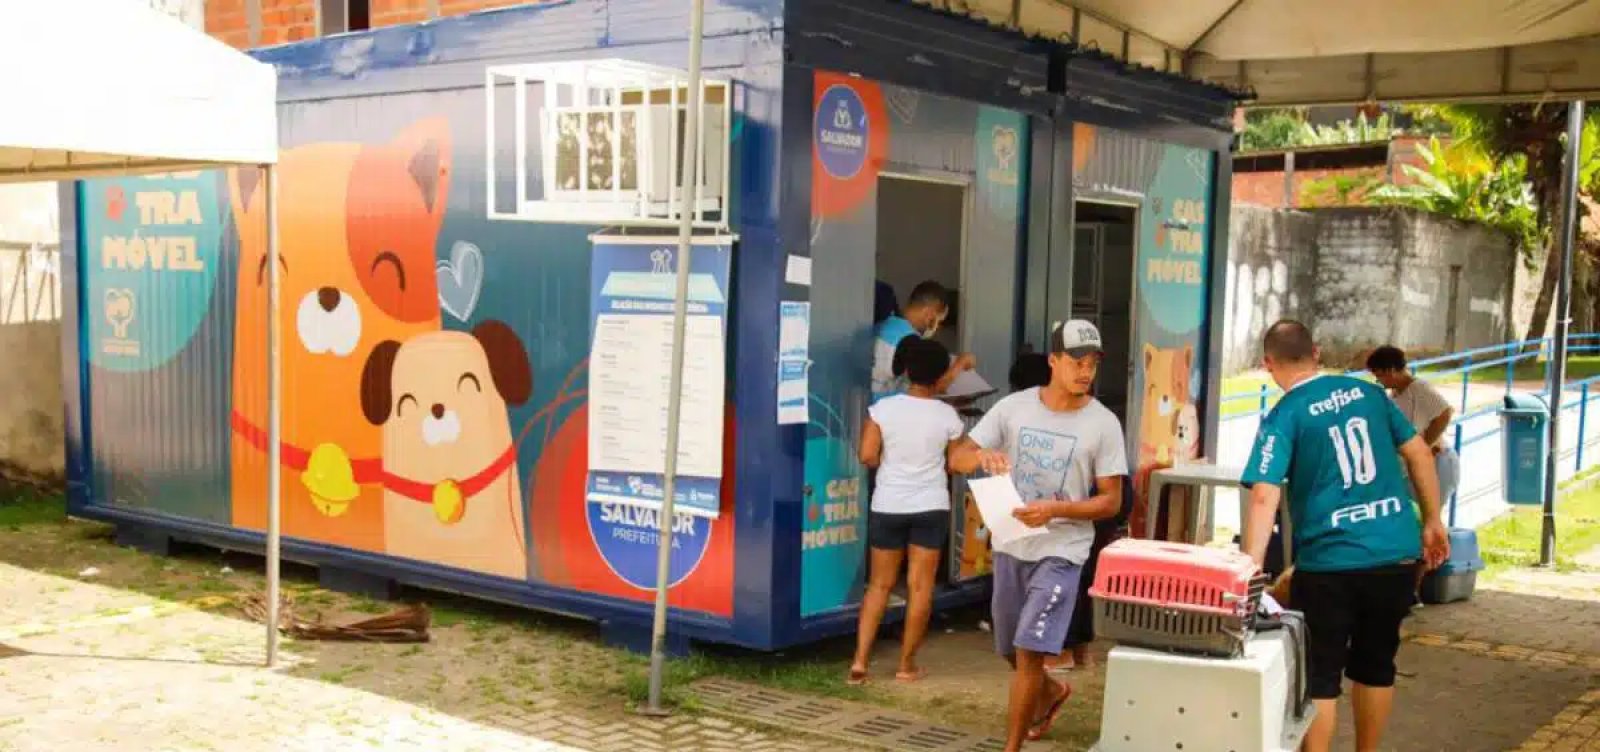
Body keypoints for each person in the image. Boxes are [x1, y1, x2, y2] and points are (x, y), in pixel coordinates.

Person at [1241, 320, 1450, 752]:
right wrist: (1432, 520)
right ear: (1316, 352)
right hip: (1395, 556)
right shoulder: (1371, 394)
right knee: (1376, 666)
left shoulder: (1284, 415)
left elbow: (1264, 495)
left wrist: (1249, 568)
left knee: (1319, 677)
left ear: (1267, 364)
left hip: (1330, 566)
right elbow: (1418, 453)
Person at [948, 320, 1128, 751]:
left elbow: (1110, 502)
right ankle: (1050, 692)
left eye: (1092, 363)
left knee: (1029, 652)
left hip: (1063, 551)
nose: (1085, 371)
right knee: (1010, 648)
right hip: (1011, 544)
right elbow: (957, 457)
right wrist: (981, 456)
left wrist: (1055, 509)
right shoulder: (1014, 408)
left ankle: (1012, 747)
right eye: (1076, 362)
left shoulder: (1103, 424)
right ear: (1054, 361)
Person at [849, 338, 965, 686]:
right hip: (931, 506)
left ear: (907, 370)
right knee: (920, 587)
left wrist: (890, 462)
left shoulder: (883, 409)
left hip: (889, 504)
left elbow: (867, 455)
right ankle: (906, 665)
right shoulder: (948, 415)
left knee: (879, 586)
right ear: (941, 375)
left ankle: (859, 663)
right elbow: (955, 464)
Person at [1366, 345, 1460, 606]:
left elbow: (1444, 413)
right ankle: (1403, 586)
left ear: (1392, 370)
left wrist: (1424, 447)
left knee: (1424, 526)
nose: (1378, 381)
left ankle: (1414, 591)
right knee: (1406, 524)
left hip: (1437, 464)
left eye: (1380, 375)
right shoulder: (1394, 396)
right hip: (1409, 468)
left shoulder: (1419, 389)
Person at [872, 280, 974, 404]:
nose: (937, 328)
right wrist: (961, 363)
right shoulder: (908, 341)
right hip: (880, 413)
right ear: (928, 314)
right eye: (938, 321)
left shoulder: (887, 324)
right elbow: (933, 387)